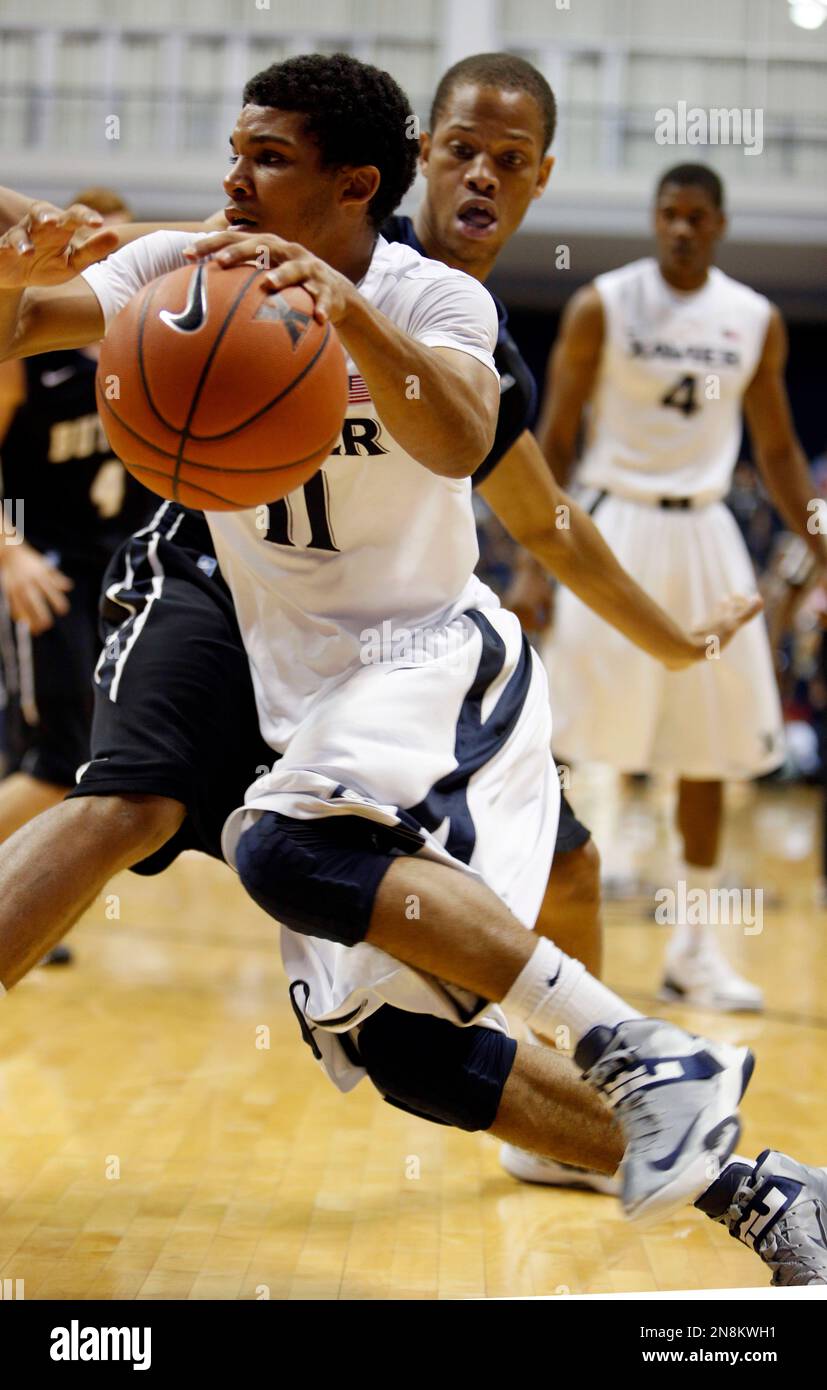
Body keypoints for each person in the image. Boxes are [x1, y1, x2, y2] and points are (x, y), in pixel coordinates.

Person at [3, 53, 823, 1285]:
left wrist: (339, 308)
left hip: (419, 654)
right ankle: (749, 1181)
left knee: (280, 847)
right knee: (401, 1048)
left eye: (262, 158)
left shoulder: (440, 306)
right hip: (245, 632)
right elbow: (29, 308)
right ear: (423, 159)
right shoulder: (189, 269)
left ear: (359, 185)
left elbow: (461, 440)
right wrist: (29, 234)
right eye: (463, 148)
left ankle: (634, 1042)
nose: (232, 178)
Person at [537, 162, 827, 1012]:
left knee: (708, 751)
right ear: (654, 219)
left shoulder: (751, 318)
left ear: (719, 225)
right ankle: (538, 940)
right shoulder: (603, 303)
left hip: (705, 529)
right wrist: (532, 560)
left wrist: (821, 541)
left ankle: (694, 953)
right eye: (668, 214)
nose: (681, 229)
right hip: (610, 523)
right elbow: (551, 436)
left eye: (697, 216)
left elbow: (775, 451)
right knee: (561, 740)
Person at [0, 187, 153, 964]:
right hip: (45, 567)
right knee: (59, 764)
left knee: (84, 766)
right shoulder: (35, 352)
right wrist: (9, 549)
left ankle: (27, 902)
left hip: (119, 579)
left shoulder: (156, 346)